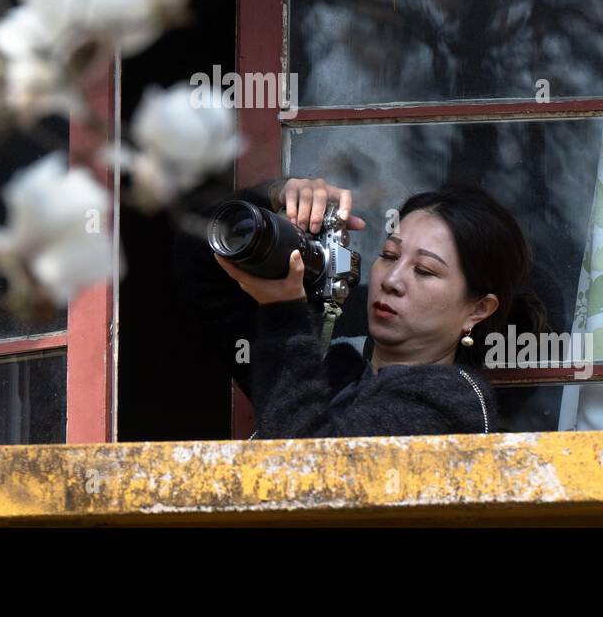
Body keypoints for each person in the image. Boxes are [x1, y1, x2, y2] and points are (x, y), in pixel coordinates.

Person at [173, 175, 547, 439]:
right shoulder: (336, 373)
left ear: (478, 309)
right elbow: (198, 249)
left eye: (424, 270)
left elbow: (307, 481)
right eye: (388, 255)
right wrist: (277, 196)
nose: (391, 279)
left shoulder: (449, 398)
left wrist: (284, 309)